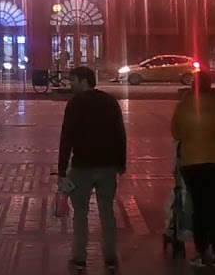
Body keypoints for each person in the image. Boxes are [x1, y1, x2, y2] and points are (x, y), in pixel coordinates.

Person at [57, 66, 126, 274]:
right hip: (107, 166)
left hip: (83, 166)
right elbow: (120, 133)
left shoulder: (75, 104)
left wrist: (62, 170)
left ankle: (79, 257)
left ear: (83, 80)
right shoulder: (110, 102)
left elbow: (66, 138)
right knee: (107, 211)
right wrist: (121, 162)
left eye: (73, 80)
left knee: (80, 213)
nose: (71, 84)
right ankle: (110, 257)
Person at [170, 71, 215, 267]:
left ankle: (202, 252)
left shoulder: (184, 105)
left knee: (199, 207)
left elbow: (176, 132)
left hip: (192, 162)